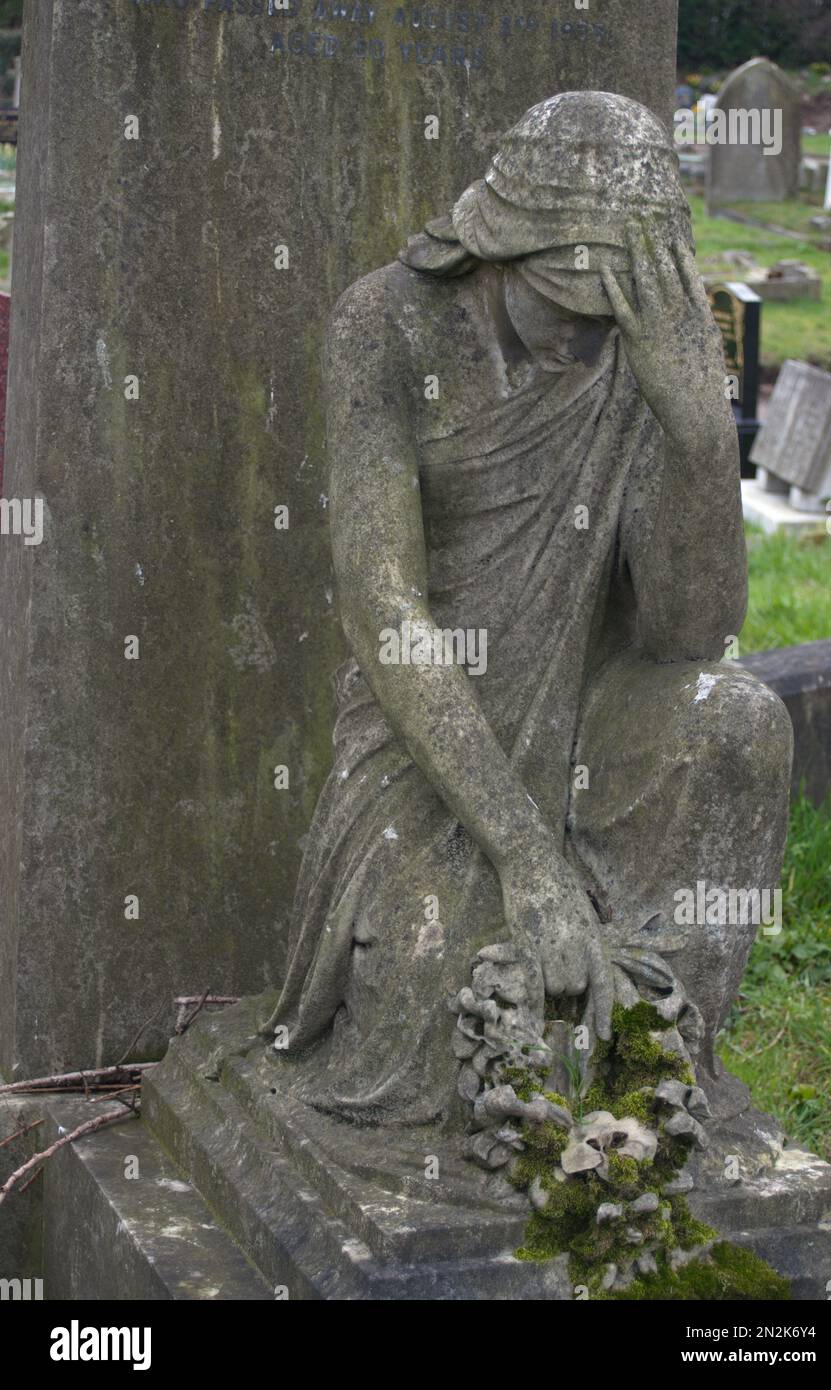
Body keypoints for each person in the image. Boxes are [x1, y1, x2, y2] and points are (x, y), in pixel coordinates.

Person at [263, 92, 792, 1134]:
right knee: (434, 1024)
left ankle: (652, 1076)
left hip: (596, 720)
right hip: (437, 744)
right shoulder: (384, 324)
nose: (586, 344)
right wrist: (523, 852)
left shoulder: (649, 350)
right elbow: (383, 611)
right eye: (567, 308)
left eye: (614, 319)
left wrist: (696, 435)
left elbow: (690, 634)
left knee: (736, 721)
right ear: (496, 249)